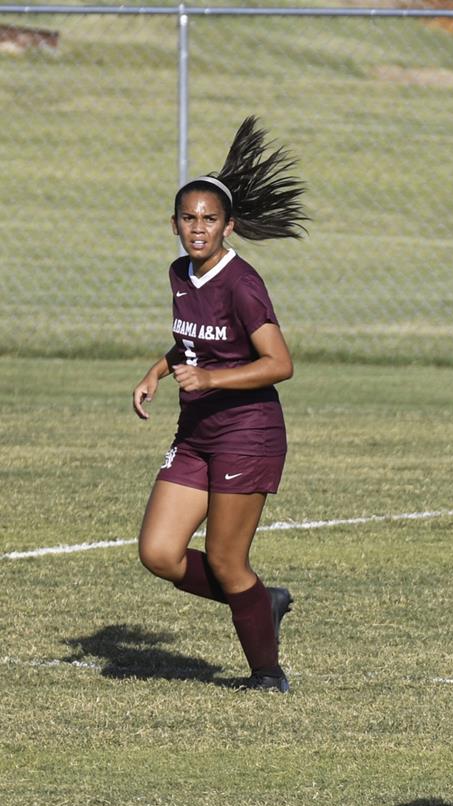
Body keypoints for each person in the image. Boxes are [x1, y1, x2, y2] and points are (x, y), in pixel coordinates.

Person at [132, 117, 306, 691]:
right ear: (174, 224)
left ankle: (266, 672)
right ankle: (262, 600)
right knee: (159, 552)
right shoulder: (181, 272)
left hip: (246, 433)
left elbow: (278, 363)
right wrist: (159, 371)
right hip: (196, 432)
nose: (198, 228)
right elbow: (194, 341)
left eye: (209, 219)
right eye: (188, 218)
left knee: (229, 561)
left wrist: (209, 378)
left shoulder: (242, 283)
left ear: (229, 226)